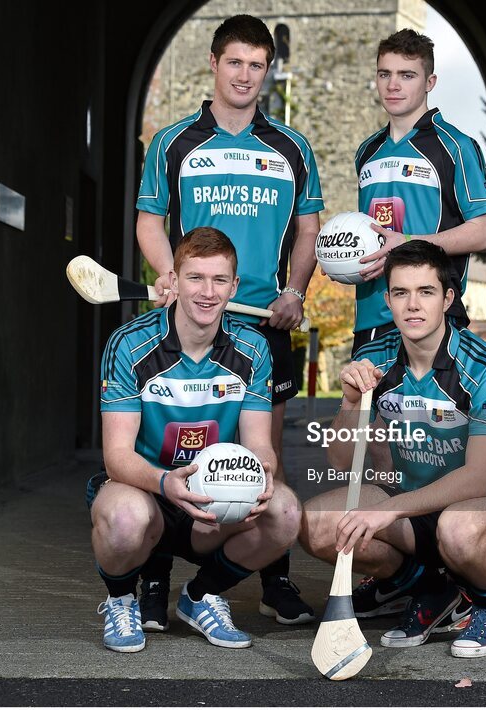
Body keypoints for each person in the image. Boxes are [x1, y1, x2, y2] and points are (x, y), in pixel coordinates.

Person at [134, 14, 323, 628]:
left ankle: (274, 580)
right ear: (213, 63)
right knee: (170, 447)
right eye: (234, 62)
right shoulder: (173, 142)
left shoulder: (292, 147)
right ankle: (154, 580)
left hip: (263, 323)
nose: (245, 75)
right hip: (190, 315)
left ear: (268, 70)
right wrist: (169, 272)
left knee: (264, 455)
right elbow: (149, 220)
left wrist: (296, 291)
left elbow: (309, 230)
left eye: (256, 65)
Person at [299, 241, 486, 658]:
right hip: (412, 504)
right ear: (387, 300)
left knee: (458, 529)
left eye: (426, 291)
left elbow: (477, 479)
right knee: (317, 524)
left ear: (447, 298)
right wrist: (351, 403)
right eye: (401, 292)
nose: (412, 305)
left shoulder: (485, 365)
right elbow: (341, 461)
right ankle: (432, 590)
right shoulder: (374, 357)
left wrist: (388, 510)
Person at [90, 227, 301, 652]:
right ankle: (120, 600)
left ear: (234, 286)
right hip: (148, 492)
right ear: (173, 279)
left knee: (285, 511)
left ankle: (202, 595)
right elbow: (116, 456)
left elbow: (260, 444)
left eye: (219, 280)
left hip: (212, 500)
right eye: (195, 278)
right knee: (125, 519)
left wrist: (262, 474)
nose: (207, 292)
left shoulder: (253, 348)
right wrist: (165, 482)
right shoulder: (129, 344)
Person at [350, 28, 486, 355]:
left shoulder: (456, 146)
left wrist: (406, 242)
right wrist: (344, 259)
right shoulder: (367, 151)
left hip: (433, 318)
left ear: (430, 82)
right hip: (371, 318)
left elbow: (484, 231)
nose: (393, 85)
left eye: (407, 75)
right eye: (385, 74)